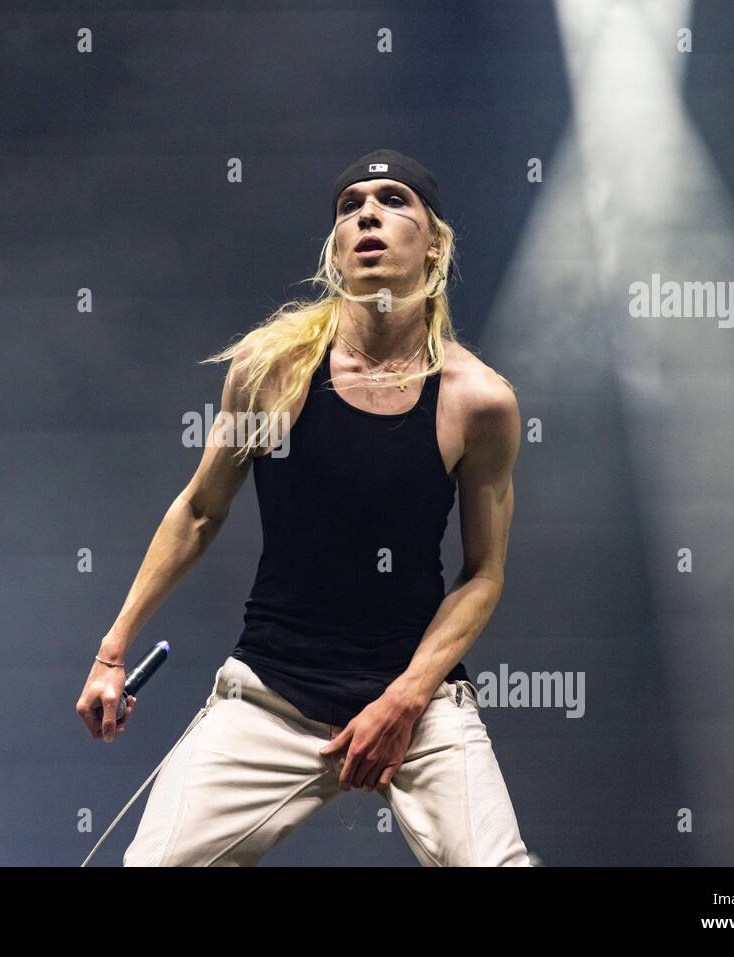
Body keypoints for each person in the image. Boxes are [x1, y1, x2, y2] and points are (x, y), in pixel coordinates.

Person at [76, 149, 531, 867]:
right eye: (351, 206)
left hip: (417, 702)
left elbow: (482, 576)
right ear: (338, 246)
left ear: (435, 242)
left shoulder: (477, 401)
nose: (369, 215)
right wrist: (111, 651)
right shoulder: (273, 374)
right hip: (272, 695)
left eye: (393, 200)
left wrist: (406, 698)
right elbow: (199, 510)